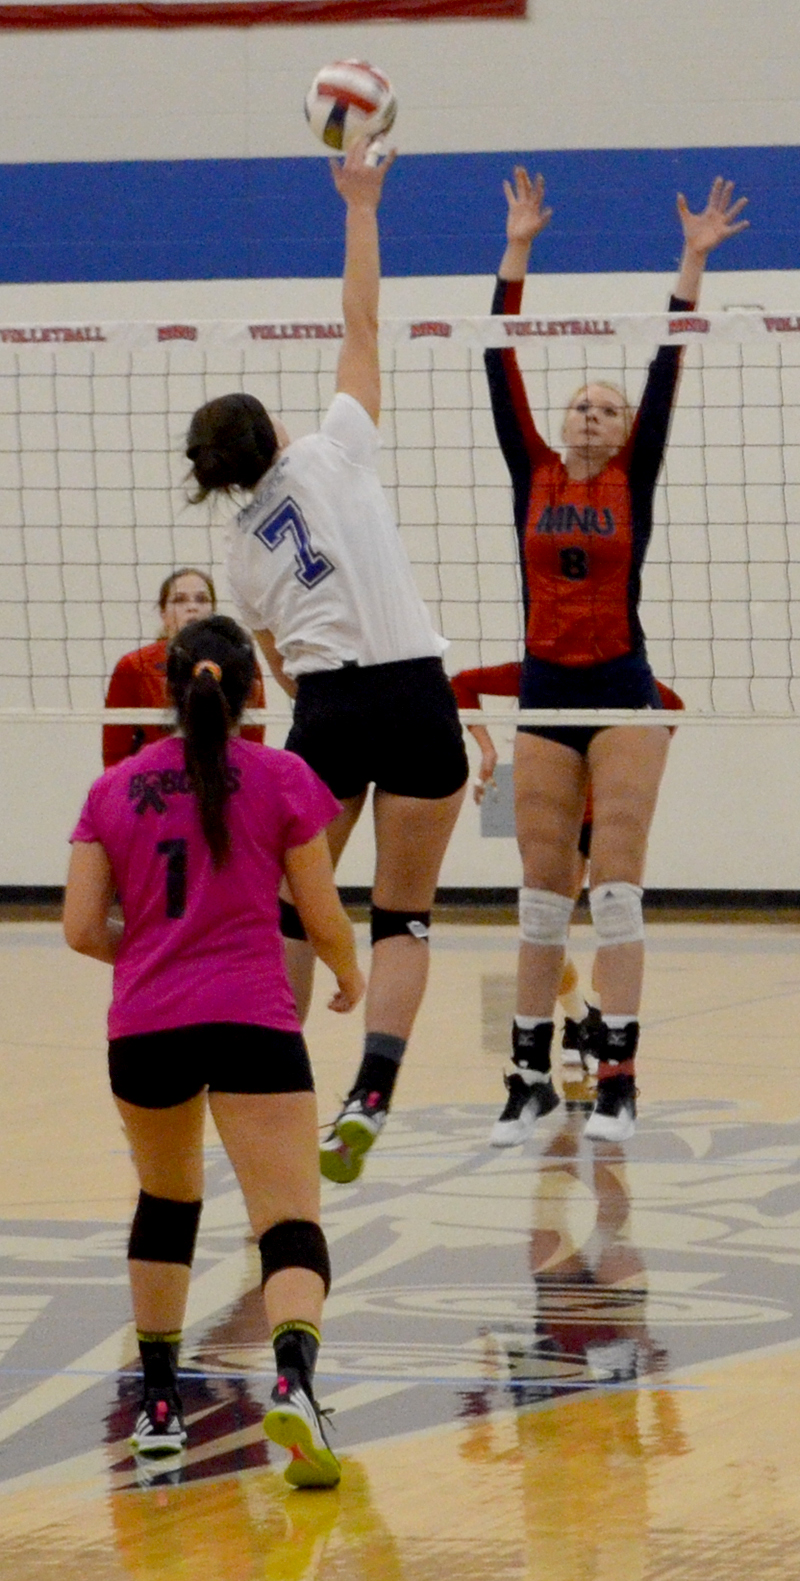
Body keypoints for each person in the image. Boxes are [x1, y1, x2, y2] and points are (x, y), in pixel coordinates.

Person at [184, 139, 469, 1186]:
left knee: (289, 903)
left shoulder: (237, 555)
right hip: (417, 692)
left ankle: (273, 1085)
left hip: (334, 708)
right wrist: (360, 202)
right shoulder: (334, 446)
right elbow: (361, 320)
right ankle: (375, 1090)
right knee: (404, 913)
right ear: (275, 430)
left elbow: (275, 667)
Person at [64, 614, 364, 1486]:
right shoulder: (283, 776)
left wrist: (157, 948)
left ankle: (159, 1405)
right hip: (252, 1022)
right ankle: (297, 1387)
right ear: (250, 694)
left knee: (167, 1200)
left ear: (167, 693)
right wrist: (347, 973)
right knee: (289, 1220)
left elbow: (82, 928)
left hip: (146, 1027)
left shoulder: (111, 790)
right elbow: (320, 910)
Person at [484, 169, 747, 1144]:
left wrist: (690, 263)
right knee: (540, 894)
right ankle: (525, 1076)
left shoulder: (632, 475)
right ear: (557, 427)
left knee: (619, 884)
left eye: (605, 406)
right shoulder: (532, 474)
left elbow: (666, 367)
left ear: (625, 430)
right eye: (579, 406)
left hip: (622, 691)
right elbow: (495, 363)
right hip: (546, 692)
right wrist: (516, 252)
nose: (591, 414)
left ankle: (621, 1078)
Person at [451, 662, 684, 1075]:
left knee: (613, 927)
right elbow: (461, 685)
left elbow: (672, 705)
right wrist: (487, 750)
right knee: (546, 930)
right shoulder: (535, 673)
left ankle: (605, 1031)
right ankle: (579, 1017)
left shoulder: (625, 677)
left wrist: (635, 765)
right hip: (559, 816)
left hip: (613, 817)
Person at [102, 567, 266, 768]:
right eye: (180, 600)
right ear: (163, 613)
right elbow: (114, 753)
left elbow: (253, 742)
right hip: (158, 778)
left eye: (201, 599)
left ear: (212, 611)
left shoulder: (240, 662)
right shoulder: (134, 666)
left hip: (225, 775)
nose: (192, 608)